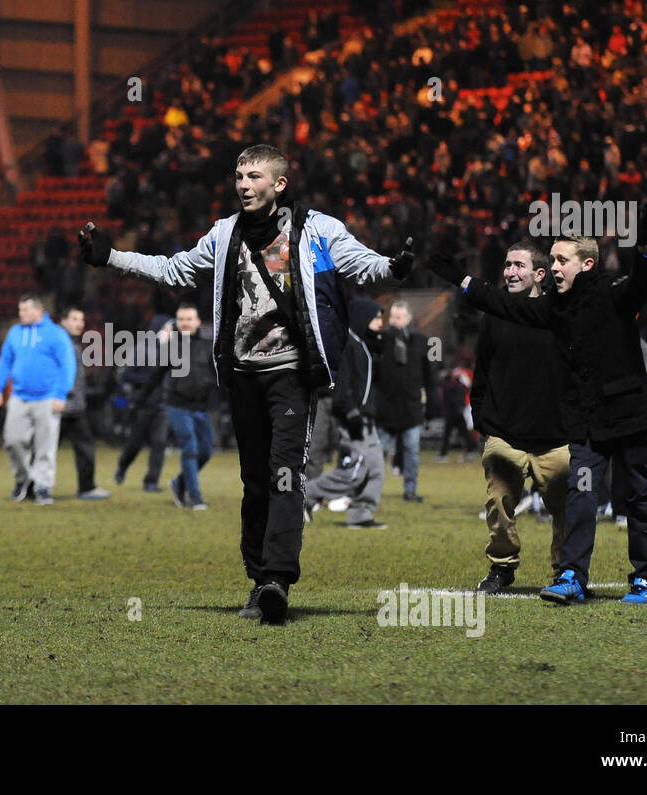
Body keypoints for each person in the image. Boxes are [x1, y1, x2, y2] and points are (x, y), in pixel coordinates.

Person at [79, 144, 414, 623]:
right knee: (254, 482)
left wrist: (394, 266)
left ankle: (277, 578)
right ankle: (259, 581)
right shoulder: (223, 234)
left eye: (253, 176)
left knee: (284, 474)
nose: (242, 184)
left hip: (292, 374)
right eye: (238, 175)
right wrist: (111, 256)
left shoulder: (317, 229)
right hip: (242, 376)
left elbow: (362, 264)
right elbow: (174, 270)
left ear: (279, 184)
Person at [428, 203, 647, 605]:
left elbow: (642, 285)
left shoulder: (611, 293)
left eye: (561, 260)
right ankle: (572, 574)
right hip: (587, 422)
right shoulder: (555, 307)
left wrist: (642, 248)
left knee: (637, 495)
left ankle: (645, 579)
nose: (552, 266)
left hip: (626, 416)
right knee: (581, 495)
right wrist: (461, 280)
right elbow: (505, 304)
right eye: (551, 259)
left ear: (586, 265)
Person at [468, 239, 569, 594]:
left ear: (539, 274)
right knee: (498, 503)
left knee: (566, 509)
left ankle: (566, 572)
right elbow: (480, 374)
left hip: (556, 437)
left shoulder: (560, 314)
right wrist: (482, 420)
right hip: (504, 434)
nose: (510, 272)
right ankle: (502, 568)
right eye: (507, 265)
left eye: (518, 266)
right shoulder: (494, 315)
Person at [303, 298, 387, 529]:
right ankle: (305, 495)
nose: (381, 323)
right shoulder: (348, 342)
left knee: (375, 468)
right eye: (377, 317)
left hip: (365, 417)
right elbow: (342, 383)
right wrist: (350, 411)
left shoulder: (362, 343)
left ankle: (361, 514)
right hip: (354, 417)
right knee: (355, 471)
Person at [0, 294, 76, 505]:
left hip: (48, 398)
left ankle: (43, 487)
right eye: (20, 310)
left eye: (24, 310)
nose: (21, 314)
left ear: (38, 310)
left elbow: (68, 364)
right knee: (12, 441)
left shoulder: (56, 334)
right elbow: (5, 362)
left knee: (45, 447)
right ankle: (24, 479)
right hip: (19, 396)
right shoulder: (15, 333)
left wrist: (61, 394)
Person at [134, 303, 216, 509]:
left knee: (206, 450)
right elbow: (156, 376)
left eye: (189, 319)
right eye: (181, 319)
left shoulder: (209, 345)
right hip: (177, 405)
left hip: (201, 407)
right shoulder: (172, 346)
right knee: (190, 448)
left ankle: (179, 483)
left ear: (197, 322)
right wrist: (138, 402)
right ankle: (195, 497)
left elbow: (218, 375)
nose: (185, 323)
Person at [374, 301, 435, 501]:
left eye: (399, 317)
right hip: (386, 407)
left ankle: (410, 490)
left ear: (408, 319)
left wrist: (432, 404)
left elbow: (429, 376)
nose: (394, 321)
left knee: (412, 453)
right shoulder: (381, 341)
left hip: (411, 407)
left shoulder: (421, 341)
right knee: (379, 452)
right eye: (392, 317)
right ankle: (372, 490)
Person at [57, 306, 111, 500]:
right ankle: (29, 487)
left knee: (85, 445)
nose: (79, 323)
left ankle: (87, 487)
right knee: (45, 449)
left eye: (81, 320)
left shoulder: (73, 343)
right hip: (59, 406)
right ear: (63, 321)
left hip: (75, 407)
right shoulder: (58, 343)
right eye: (74, 319)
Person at [113, 315, 171, 492]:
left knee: (160, 443)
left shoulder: (173, 350)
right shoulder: (142, 349)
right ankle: (122, 466)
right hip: (143, 404)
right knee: (135, 444)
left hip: (162, 404)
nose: (171, 331)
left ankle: (151, 481)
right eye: (169, 327)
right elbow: (126, 375)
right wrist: (152, 380)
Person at [437, 354, 477, 462]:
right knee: (461, 432)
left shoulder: (451, 382)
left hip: (455, 411)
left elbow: (467, 388)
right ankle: (468, 452)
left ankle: (445, 454)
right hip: (457, 410)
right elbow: (467, 388)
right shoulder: (457, 382)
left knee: (455, 433)